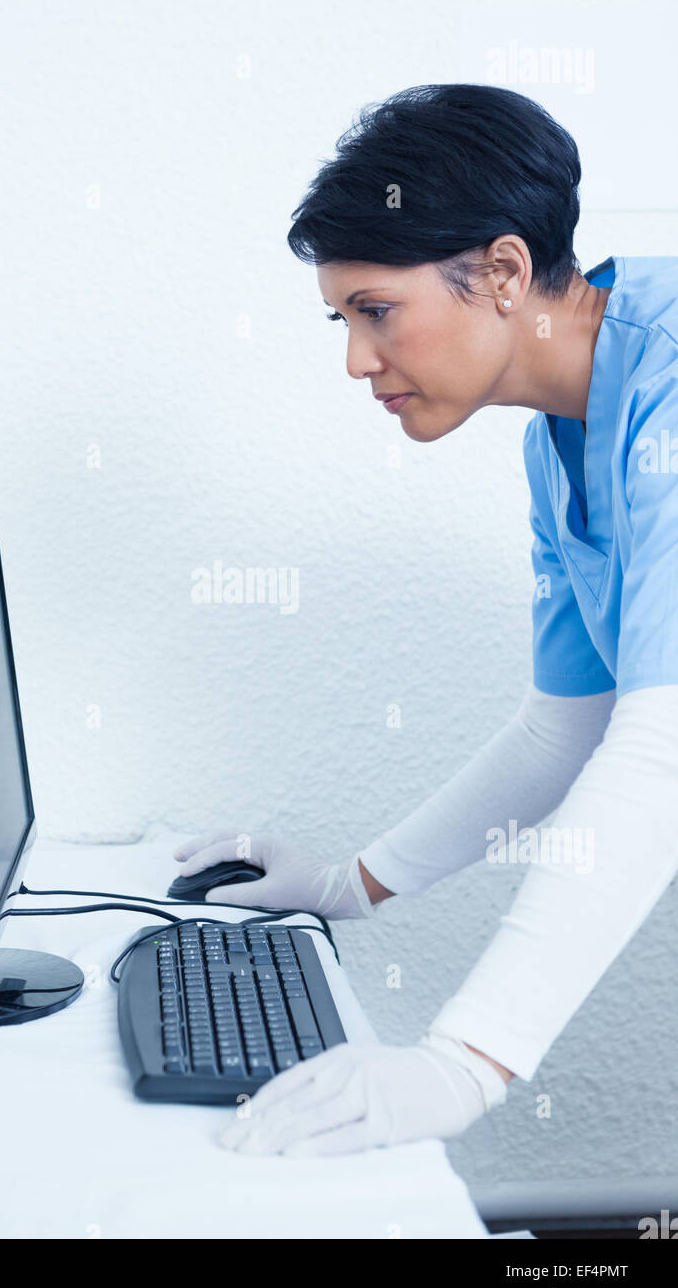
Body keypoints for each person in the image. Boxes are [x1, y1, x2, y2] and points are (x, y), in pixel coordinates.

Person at [174, 83, 678, 1157]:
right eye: (341, 319)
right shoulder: (560, 439)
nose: (356, 360)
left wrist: (468, 1060)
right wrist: (346, 885)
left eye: (374, 311)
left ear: (500, 272)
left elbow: (662, 747)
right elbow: (564, 725)